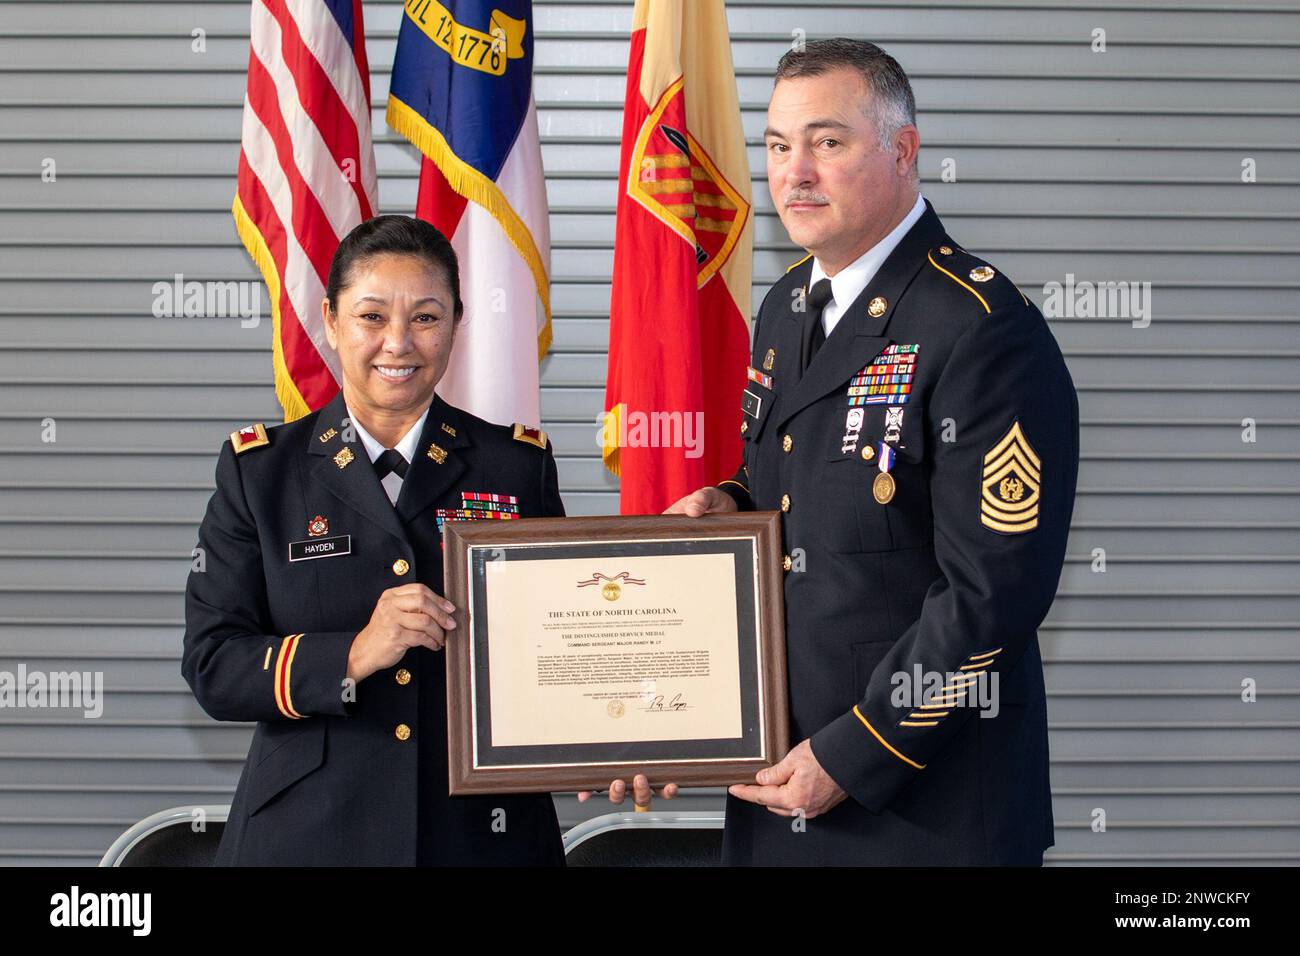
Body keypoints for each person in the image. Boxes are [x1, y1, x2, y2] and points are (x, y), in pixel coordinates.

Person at [597, 38, 1079, 865]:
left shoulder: (980, 329)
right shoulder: (788, 306)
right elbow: (795, 482)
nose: (794, 174)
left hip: (922, 811)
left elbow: (994, 594)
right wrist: (727, 500)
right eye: (779, 147)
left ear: (903, 150)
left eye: (827, 142)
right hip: (778, 790)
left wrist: (857, 753)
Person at [182, 215, 565, 865]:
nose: (398, 342)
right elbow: (214, 665)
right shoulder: (261, 473)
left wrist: (624, 733)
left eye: (425, 317)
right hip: (311, 834)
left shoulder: (516, 465)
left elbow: (562, 642)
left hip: (480, 836)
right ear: (330, 320)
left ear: (456, 324)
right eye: (371, 316)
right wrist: (355, 653)